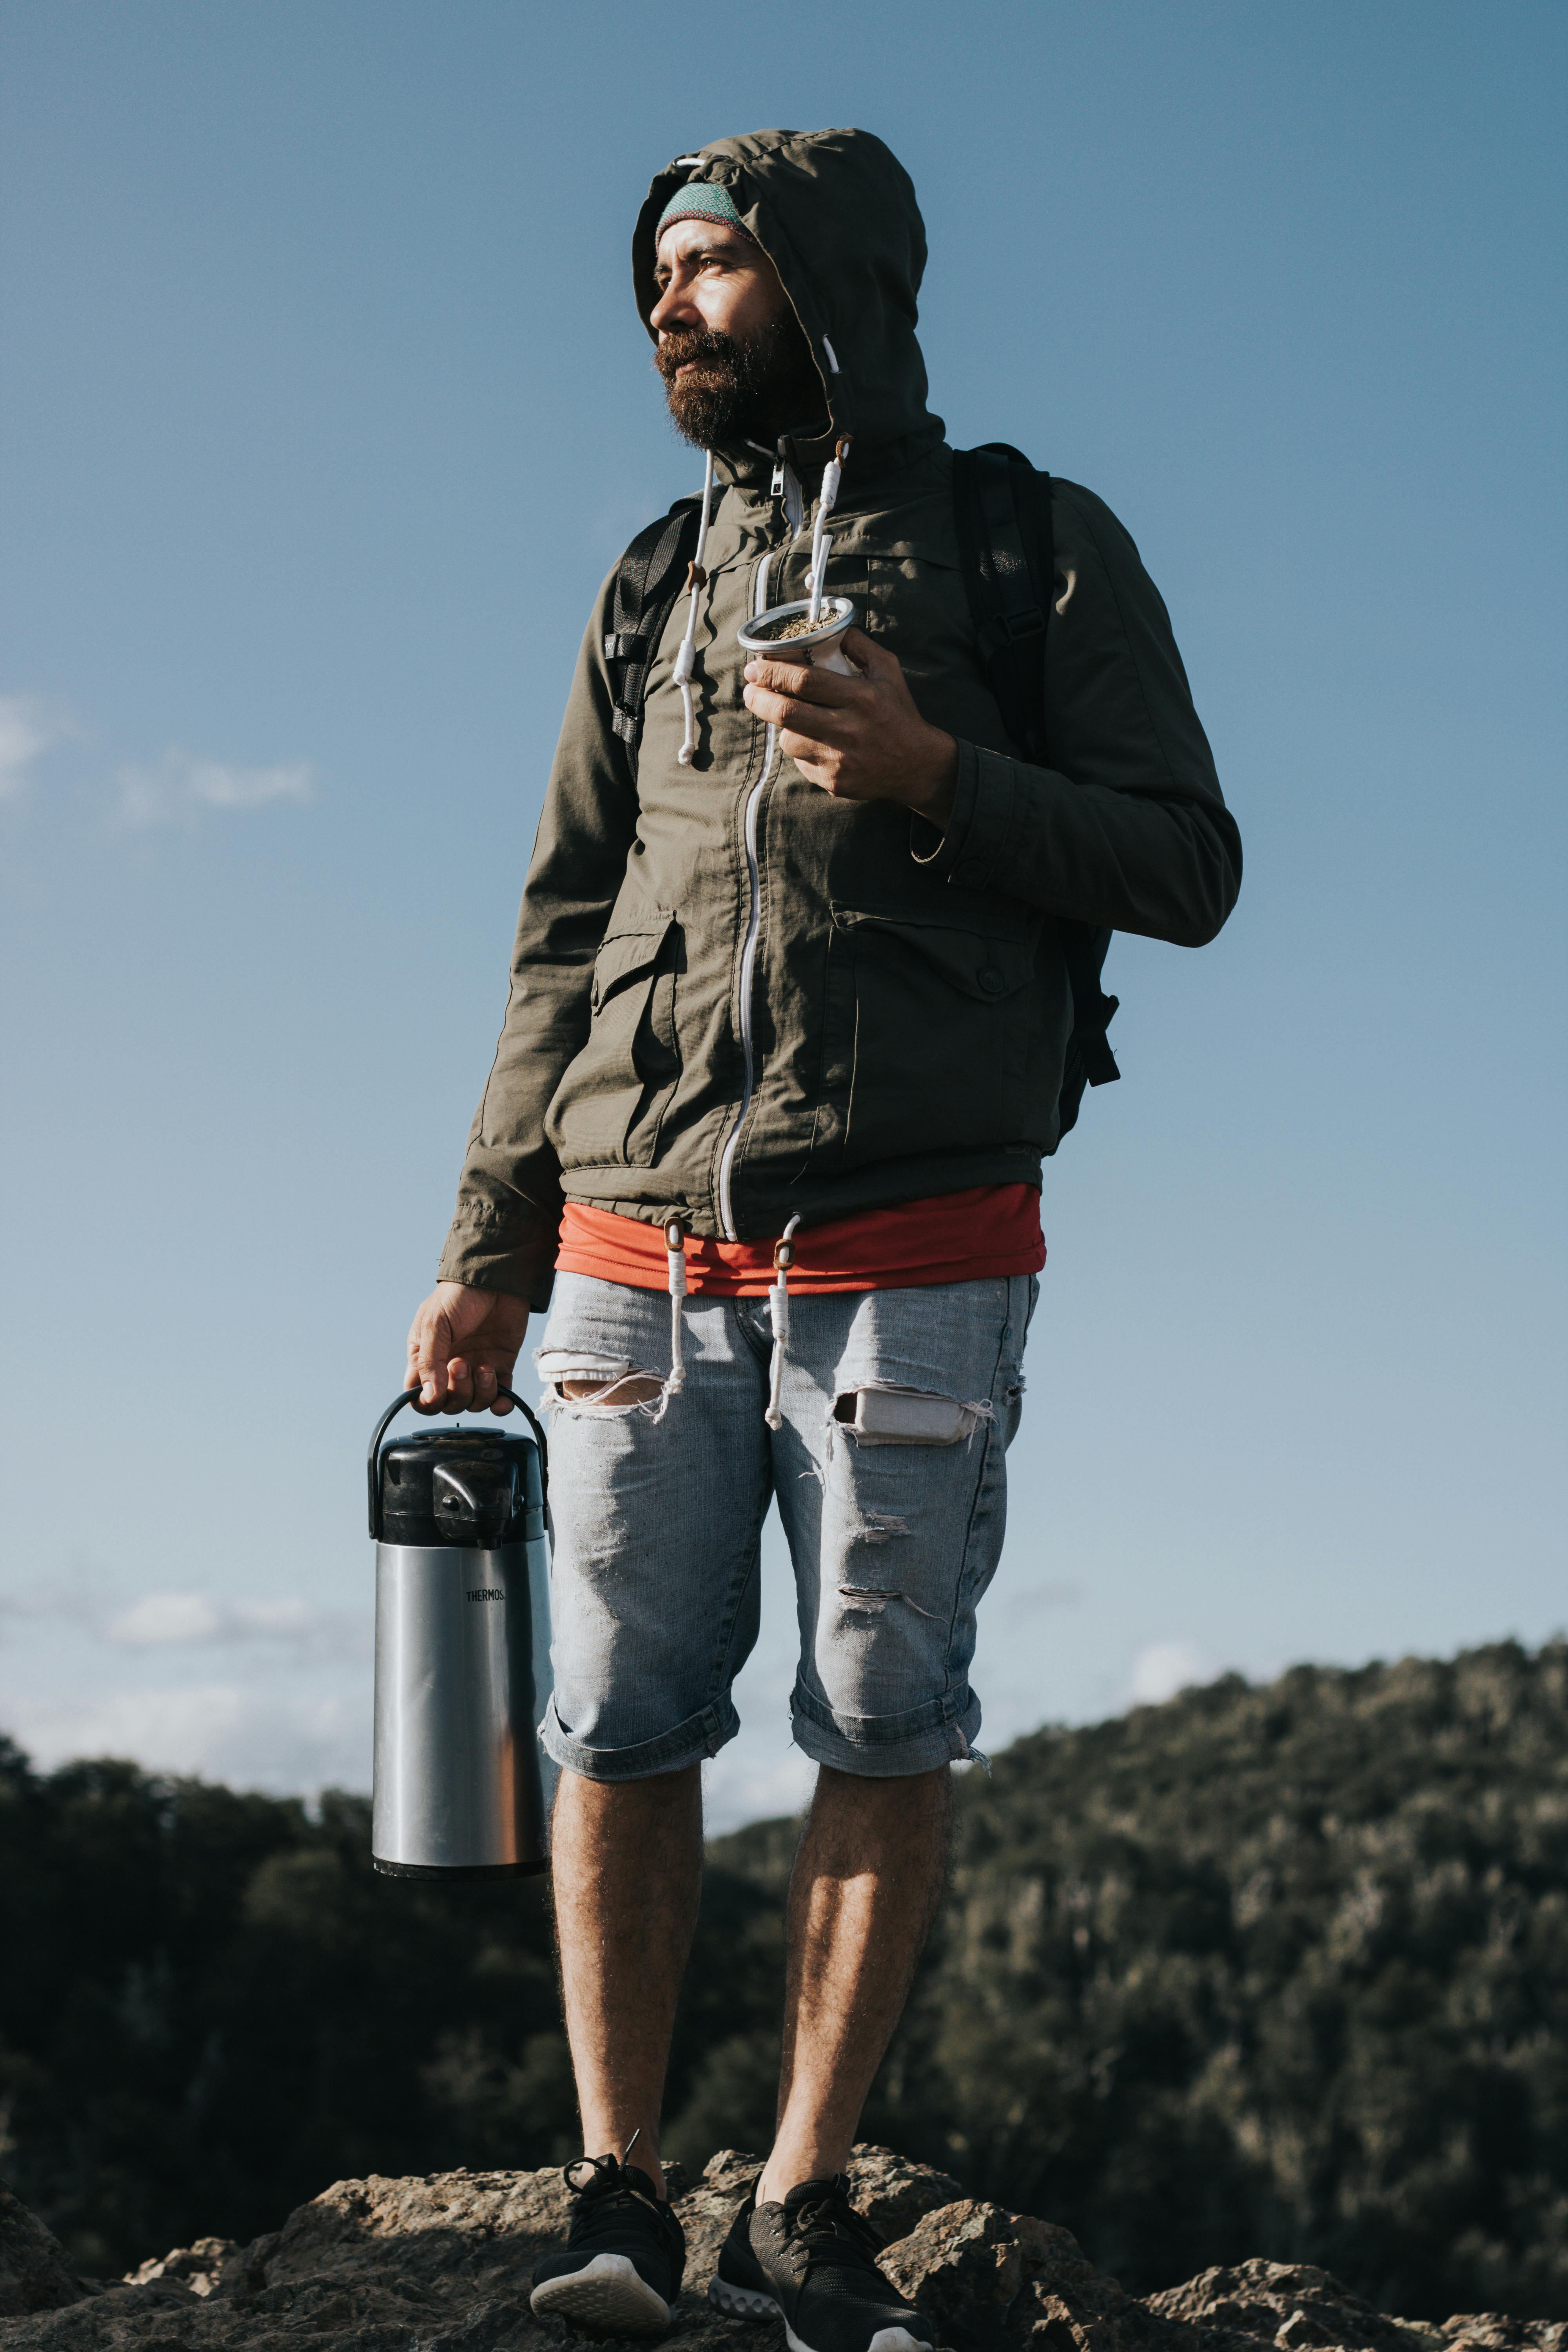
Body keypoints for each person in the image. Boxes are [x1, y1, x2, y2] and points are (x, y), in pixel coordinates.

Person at [404, 127, 1241, 2352]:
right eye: (656, 276)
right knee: (613, 1719)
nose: (670, 309)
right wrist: (489, 1239)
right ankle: (616, 2197)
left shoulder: (1028, 547)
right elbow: (559, 933)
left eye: (713, 270)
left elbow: (1189, 860)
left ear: (835, 284)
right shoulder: (649, 579)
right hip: (623, 1252)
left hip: (917, 1245)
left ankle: (796, 2199)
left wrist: (937, 768)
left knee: (883, 1721)